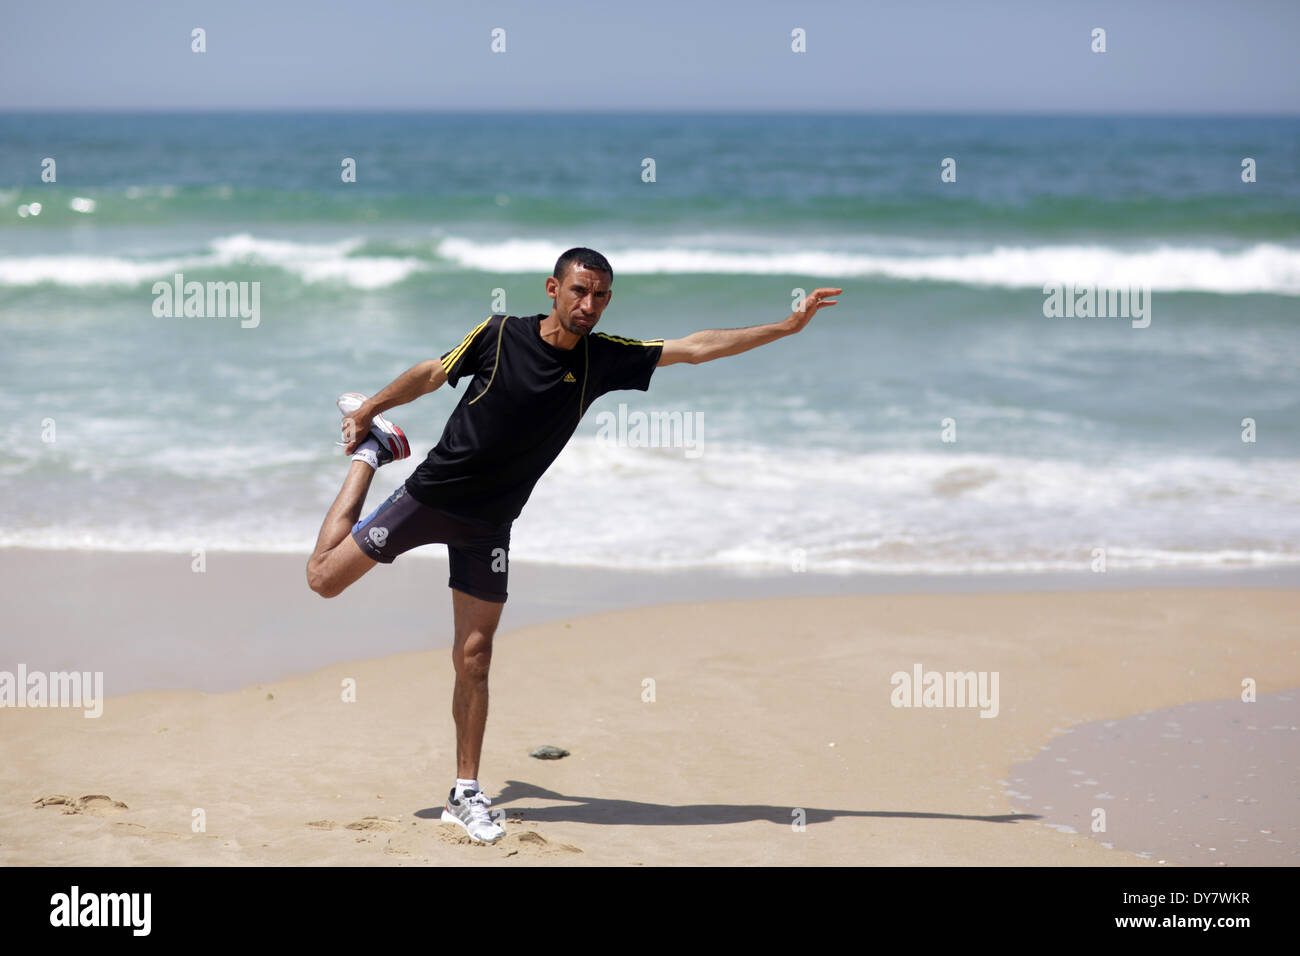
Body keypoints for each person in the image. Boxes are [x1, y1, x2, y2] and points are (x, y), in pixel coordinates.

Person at [305, 246, 840, 842]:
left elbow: (694, 348)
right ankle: (372, 454)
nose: (589, 305)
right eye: (580, 291)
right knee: (324, 580)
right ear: (552, 289)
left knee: (475, 656)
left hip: (491, 526)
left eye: (601, 295)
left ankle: (466, 791)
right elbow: (434, 372)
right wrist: (374, 408)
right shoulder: (500, 333)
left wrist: (787, 326)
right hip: (432, 497)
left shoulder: (601, 360)